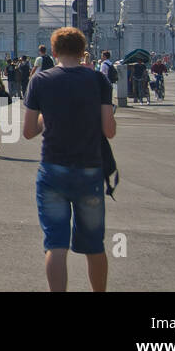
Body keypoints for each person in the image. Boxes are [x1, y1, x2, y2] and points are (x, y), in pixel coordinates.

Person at [23, 26, 116, 292]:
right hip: (89, 170)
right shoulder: (98, 80)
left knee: (55, 244)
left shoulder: (40, 81)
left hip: (53, 169)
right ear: (82, 51)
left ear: (53, 52)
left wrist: (47, 116)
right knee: (94, 246)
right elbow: (109, 130)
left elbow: (29, 131)